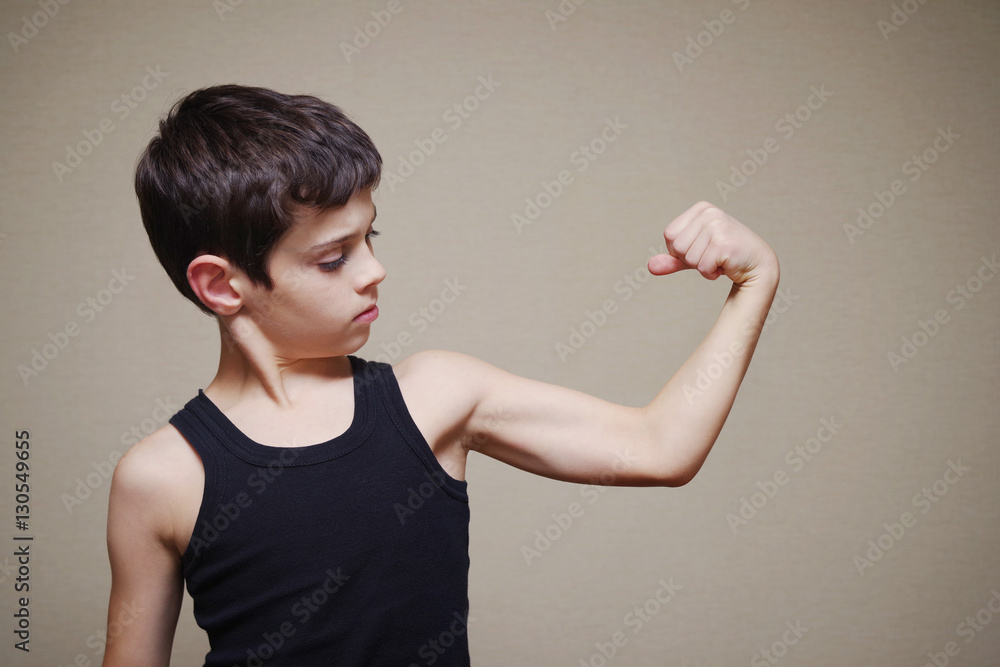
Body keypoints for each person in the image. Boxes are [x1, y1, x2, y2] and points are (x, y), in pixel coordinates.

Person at [101, 84, 780, 666]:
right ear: (222, 285)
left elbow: (660, 446)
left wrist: (756, 281)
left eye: (370, 237)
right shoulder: (159, 477)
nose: (374, 270)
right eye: (334, 257)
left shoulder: (435, 396)